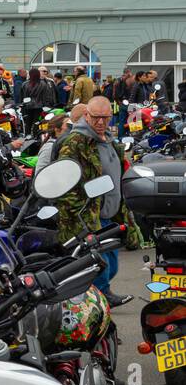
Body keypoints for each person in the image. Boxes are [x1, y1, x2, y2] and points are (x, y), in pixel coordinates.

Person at [55, 96, 142, 306]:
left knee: (112, 265)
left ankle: (94, 293)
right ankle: (100, 298)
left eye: (105, 118)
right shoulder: (75, 142)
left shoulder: (109, 140)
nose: (101, 122)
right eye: (96, 118)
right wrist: (79, 213)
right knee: (99, 262)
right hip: (89, 217)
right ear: (86, 115)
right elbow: (63, 181)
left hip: (111, 213)